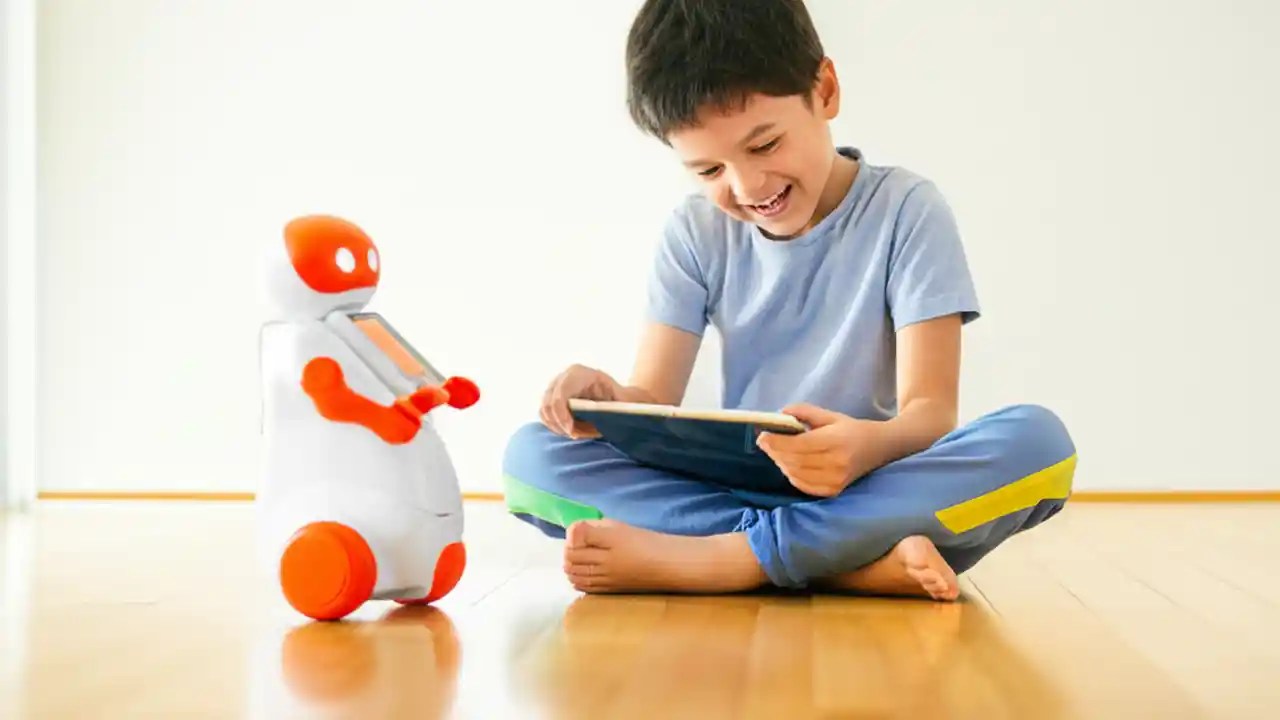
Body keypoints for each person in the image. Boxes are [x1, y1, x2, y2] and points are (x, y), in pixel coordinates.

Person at [500, 0, 1076, 600]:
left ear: (824, 91)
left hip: (868, 486)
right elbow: (654, 403)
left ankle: (733, 559)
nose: (747, 187)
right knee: (529, 459)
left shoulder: (908, 210)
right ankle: (839, 561)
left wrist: (864, 447)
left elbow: (930, 412)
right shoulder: (694, 232)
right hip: (733, 490)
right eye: (708, 170)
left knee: (1040, 444)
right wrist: (609, 404)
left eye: (765, 145)